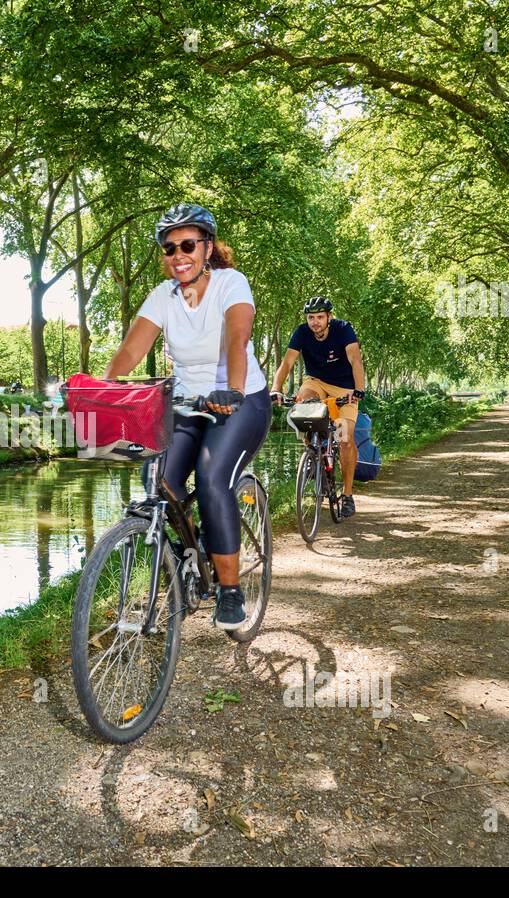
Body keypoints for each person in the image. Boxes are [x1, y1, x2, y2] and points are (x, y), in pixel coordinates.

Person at [103, 203, 271, 636]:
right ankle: (189, 553)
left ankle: (230, 589)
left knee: (212, 477)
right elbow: (129, 351)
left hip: (240, 401)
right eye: (169, 247)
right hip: (187, 403)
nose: (179, 254)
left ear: (207, 247)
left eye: (188, 244)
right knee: (158, 483)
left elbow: (237, 338)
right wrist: (103, 386)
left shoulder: (231, 284)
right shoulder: (163, 296)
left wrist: (232, 388)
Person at [271, 296, 367, 518]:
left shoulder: (343, 329)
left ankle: (348, 495)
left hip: (345, 389)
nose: (315, 322)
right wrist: (276, 388)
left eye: (319, 317)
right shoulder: (302, 332)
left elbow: (355, 359)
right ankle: (314, 454)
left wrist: (358, 389)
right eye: (311, 317)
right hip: (316, 382)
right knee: (304, 403)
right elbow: (287, 363)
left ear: (329, 318)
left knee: (345, 439)